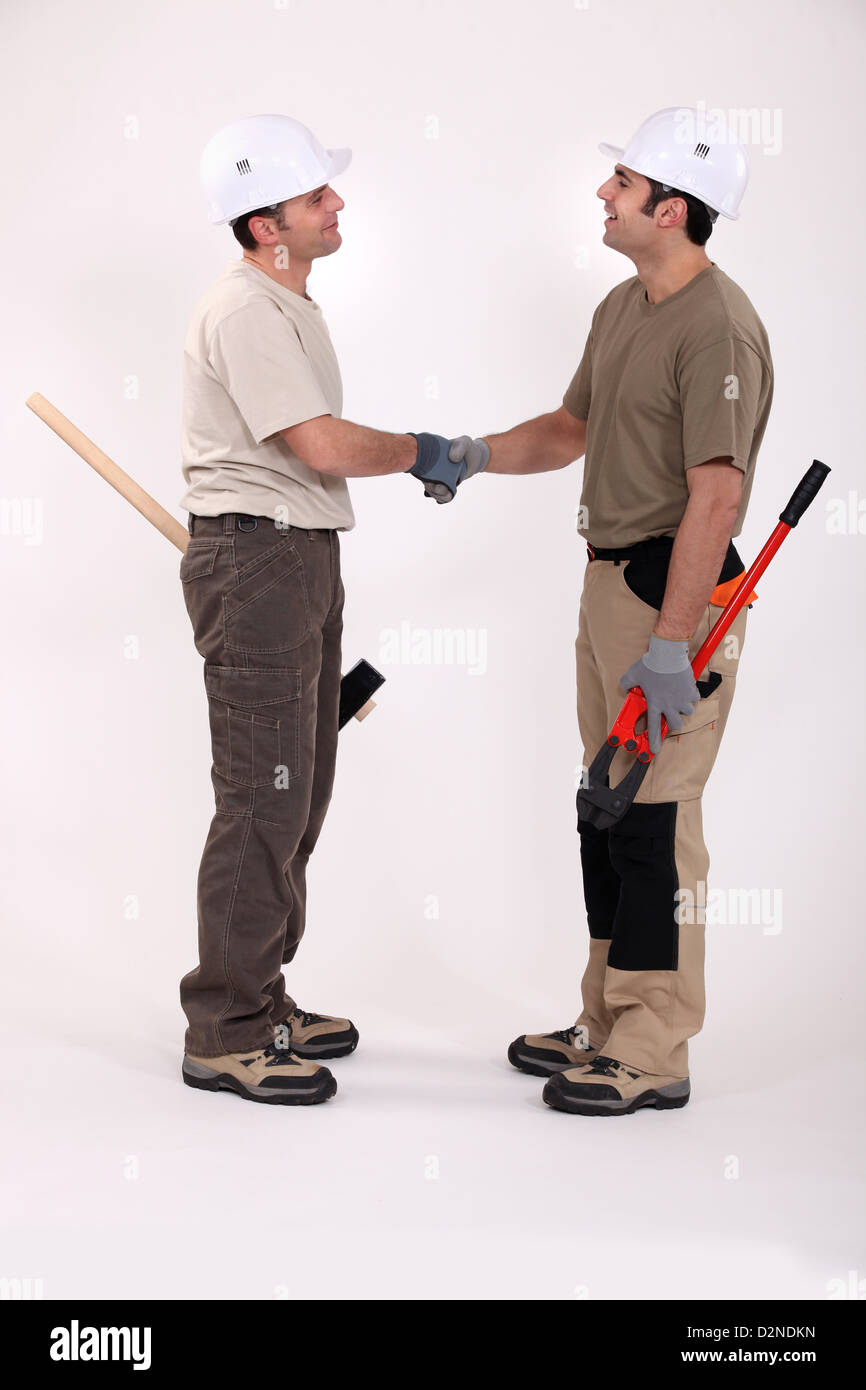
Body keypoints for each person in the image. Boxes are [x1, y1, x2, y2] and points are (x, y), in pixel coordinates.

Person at [453, 107, 773, 1116]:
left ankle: (653, 1042)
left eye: (622, 183)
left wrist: (673, 643)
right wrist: (465, 454)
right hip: (606, 581)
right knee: (606, 807)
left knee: (652, 817)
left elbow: (716, 494)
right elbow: (566, 428)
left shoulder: (716, 326)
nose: (604, 193)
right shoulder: (622, 306)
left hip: (670, 594)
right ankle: (603, 1017)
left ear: (668, 208)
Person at [177, 114, 483, 1106]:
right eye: (318, 197)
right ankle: (224, 1027)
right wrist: (422, 449)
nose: (336, 205)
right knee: (263, 796)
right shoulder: (246, 312)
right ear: (268, 223)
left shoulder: (285, 305)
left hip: (297, 556)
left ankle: (259, 996)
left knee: (298, 789)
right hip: (257, 560)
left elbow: (305, 451)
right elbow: (313, 442)